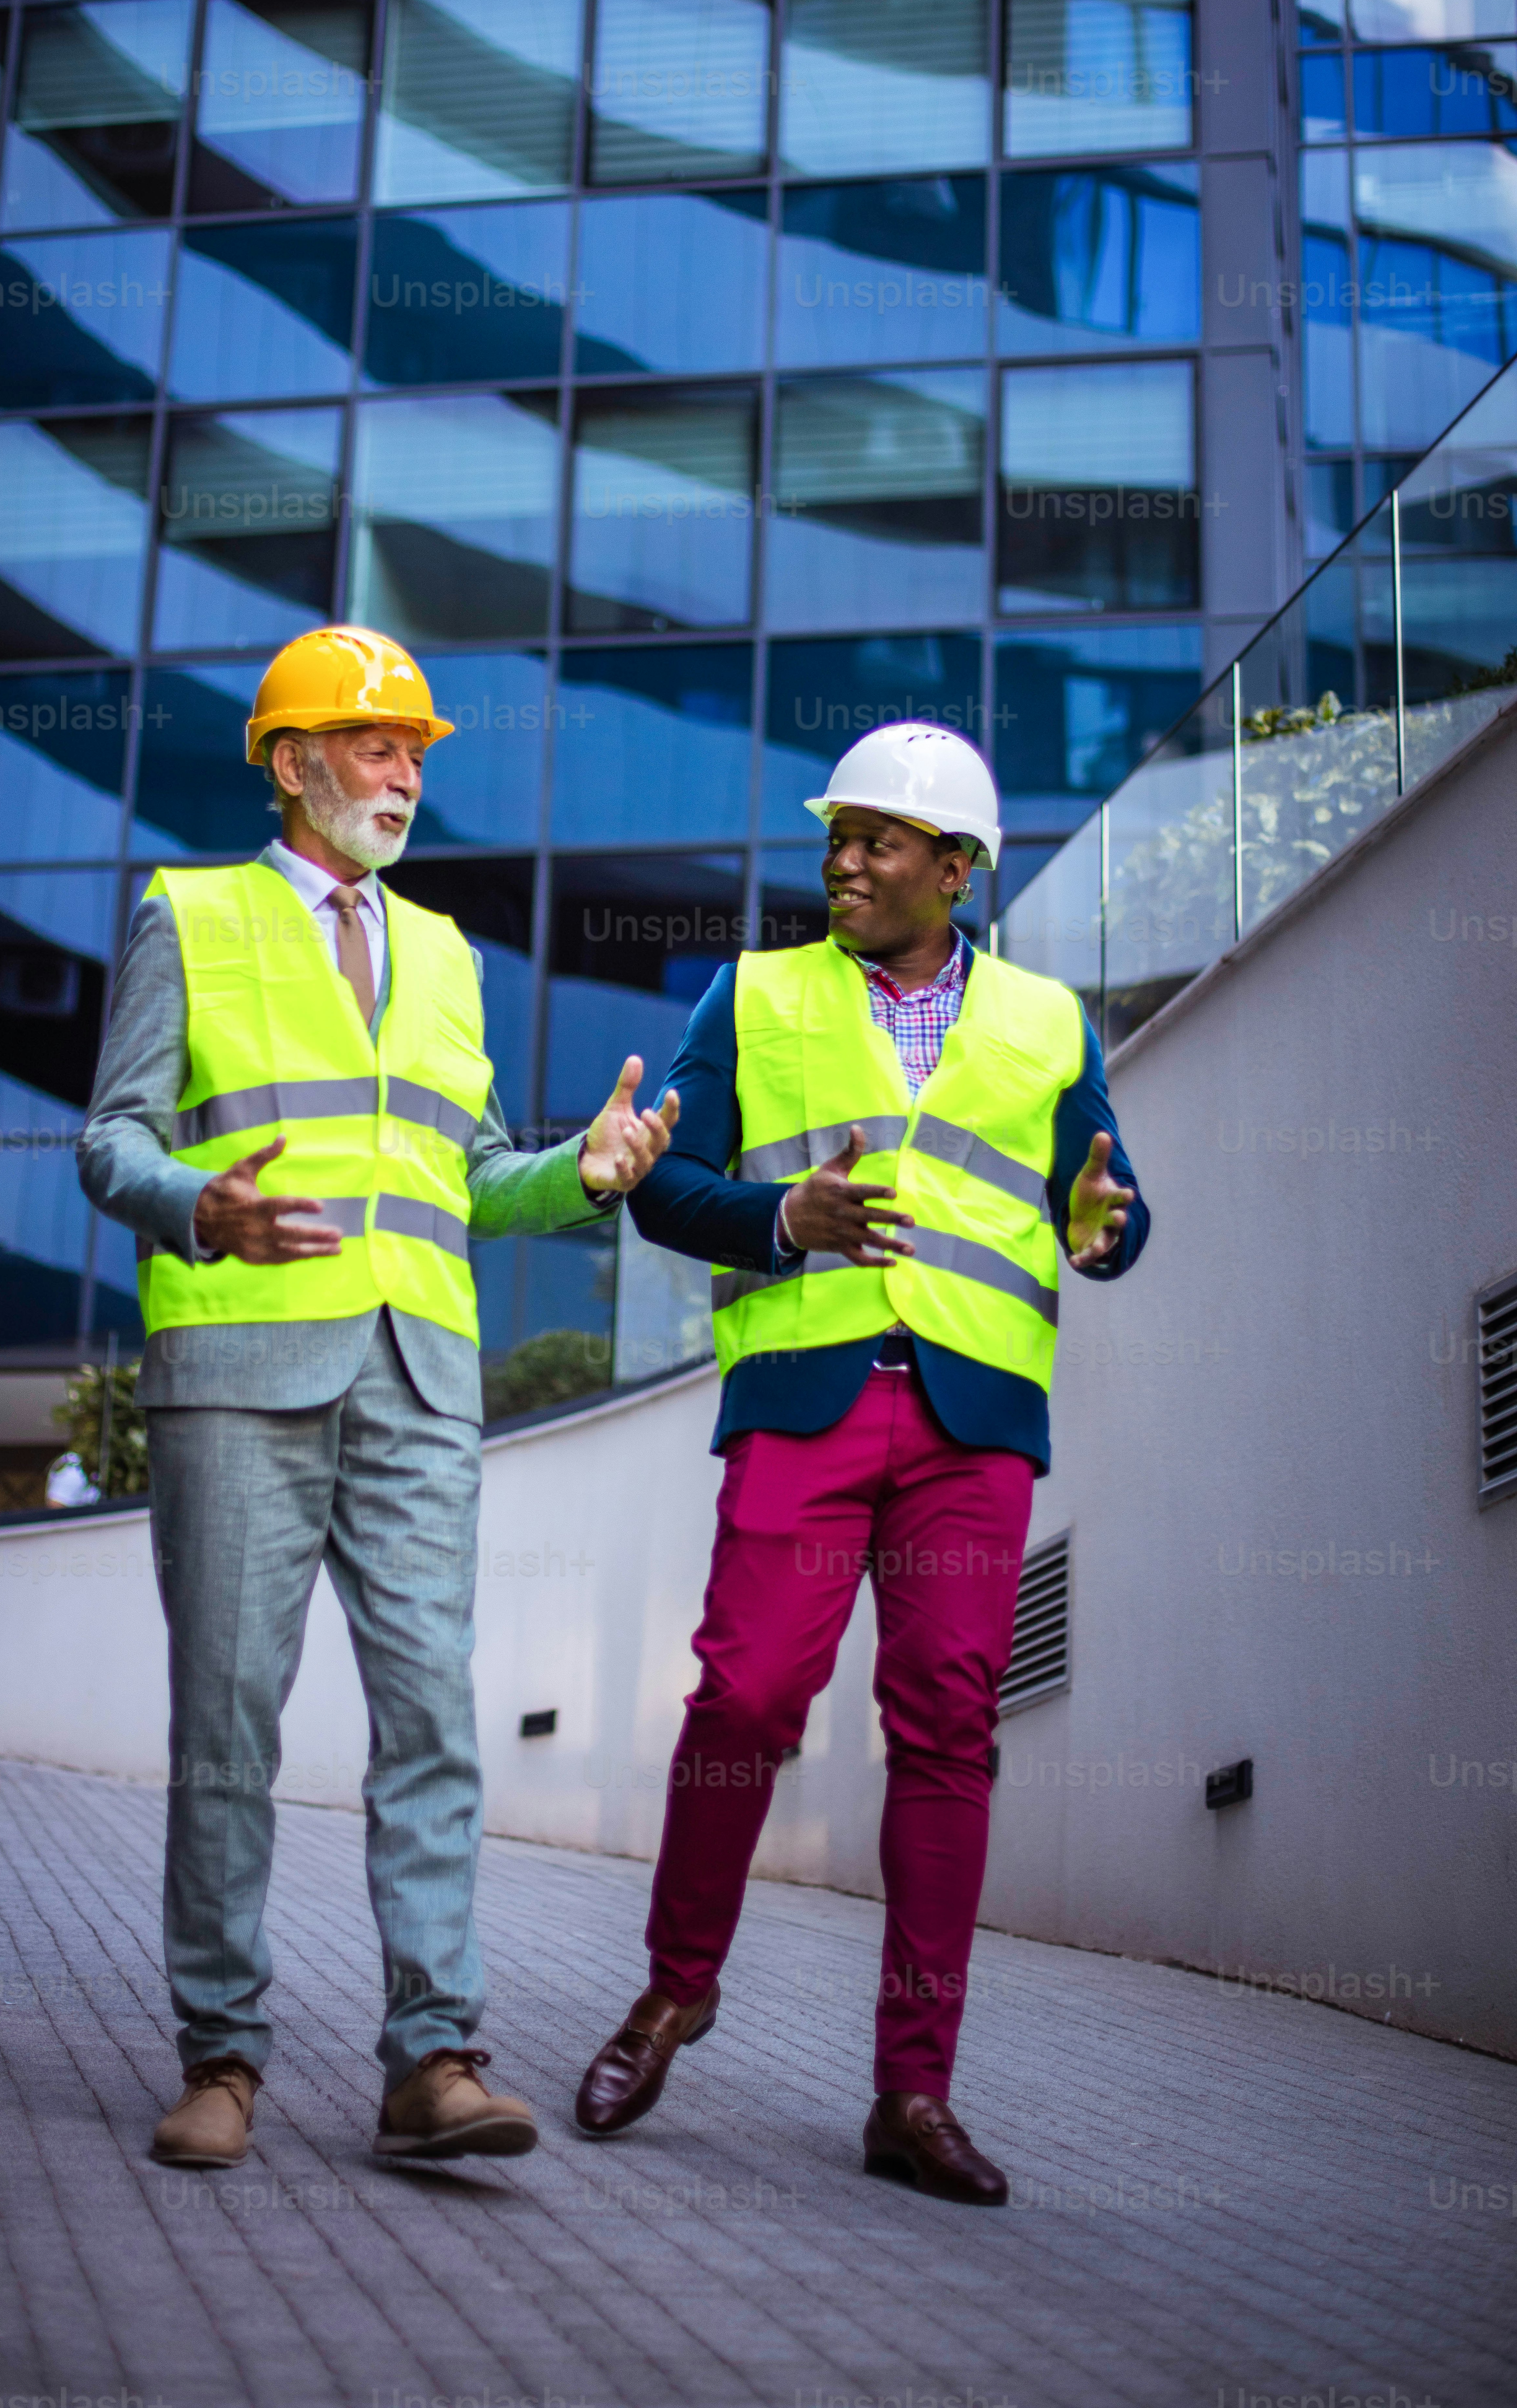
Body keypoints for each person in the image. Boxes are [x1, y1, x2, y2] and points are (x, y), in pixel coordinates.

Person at [77, 625, 677, 2171]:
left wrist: (584, 1175)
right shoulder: (188, 915)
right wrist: (200, 1203)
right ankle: (222, 2055)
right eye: (373, 743)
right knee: (227, 1728)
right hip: (239, 1375)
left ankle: (435, 2057)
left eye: (416, 749)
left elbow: (467, 1173)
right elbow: (112, 1139)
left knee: (431, 1719)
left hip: (419, 1375)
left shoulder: (453, 953)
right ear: (290, 761)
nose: (406, 772)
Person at [573, 723, 1149, 2204]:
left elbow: (1106, 1210)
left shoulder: (1045, 1020)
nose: (842, 859)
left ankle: (913, 2086)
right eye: (836, 836)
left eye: (878, 840)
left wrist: (1106, 1222)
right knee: (745, 1691)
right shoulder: (753, 993)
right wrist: (782, 1221)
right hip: (807, 1402)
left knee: (947, 1730)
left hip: (971, 1425)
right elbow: (667, 1191)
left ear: (953, 869)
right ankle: (673, 1990)